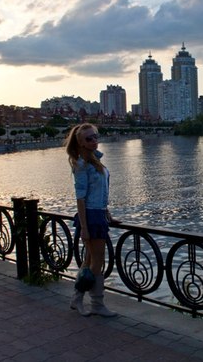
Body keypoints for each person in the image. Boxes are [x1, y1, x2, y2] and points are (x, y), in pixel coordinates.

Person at [65, 123, 119, 317]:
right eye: (89, 138)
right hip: (91, 216)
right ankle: (96, 304)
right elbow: (80, 198)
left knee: (89, 261)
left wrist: (107, 213)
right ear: (80, 142)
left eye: (95, 136)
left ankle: (77, 299)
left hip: (98, 214)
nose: (94, 140)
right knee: (97, 262)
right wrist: (85, 227)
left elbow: (101, 192)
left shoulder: (95, 161)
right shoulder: (81, 165)